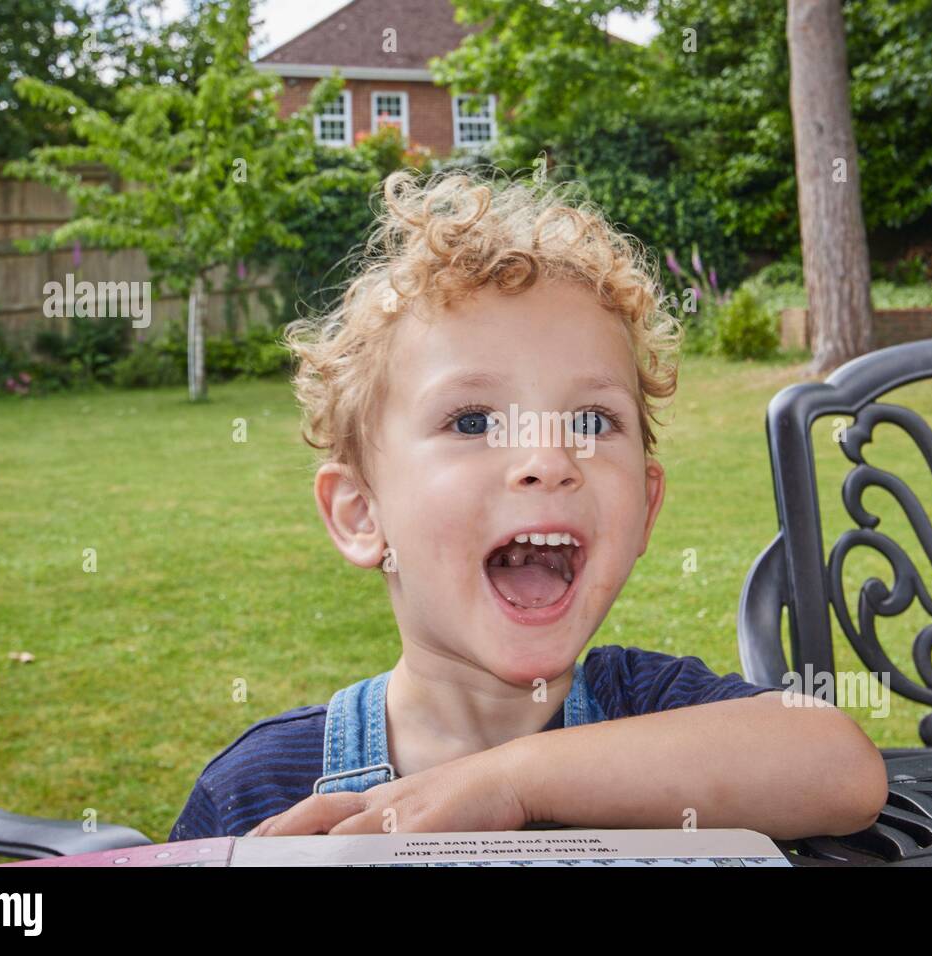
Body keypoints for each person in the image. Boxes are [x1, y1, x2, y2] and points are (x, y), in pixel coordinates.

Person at [170, 167, 887, 842]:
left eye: (591, 422)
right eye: (473, 421)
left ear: (646, 504)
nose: (548, 461)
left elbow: (839, 767)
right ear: (362, 514)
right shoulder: (260, 793)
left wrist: (512, 783)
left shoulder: (654, 704)